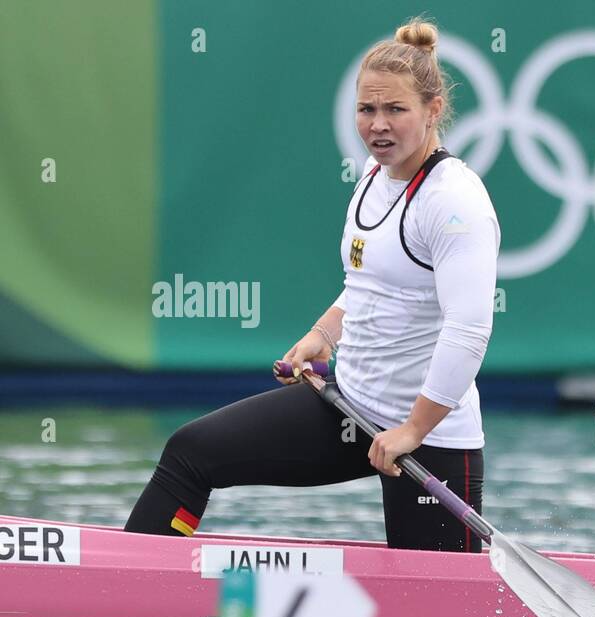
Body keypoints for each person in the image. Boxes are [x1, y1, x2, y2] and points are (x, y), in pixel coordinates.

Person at [126, 17, 500, 551]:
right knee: (190, 453)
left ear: (433, 110)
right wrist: (323, 335)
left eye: (396, 109)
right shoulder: (374, 178)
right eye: (367, 109)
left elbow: (468, 332)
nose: (378, 125)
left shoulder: (455, 202)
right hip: (349, 408)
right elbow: (370, 285)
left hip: (427, 440)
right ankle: (143, 587)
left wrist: (413, 431)